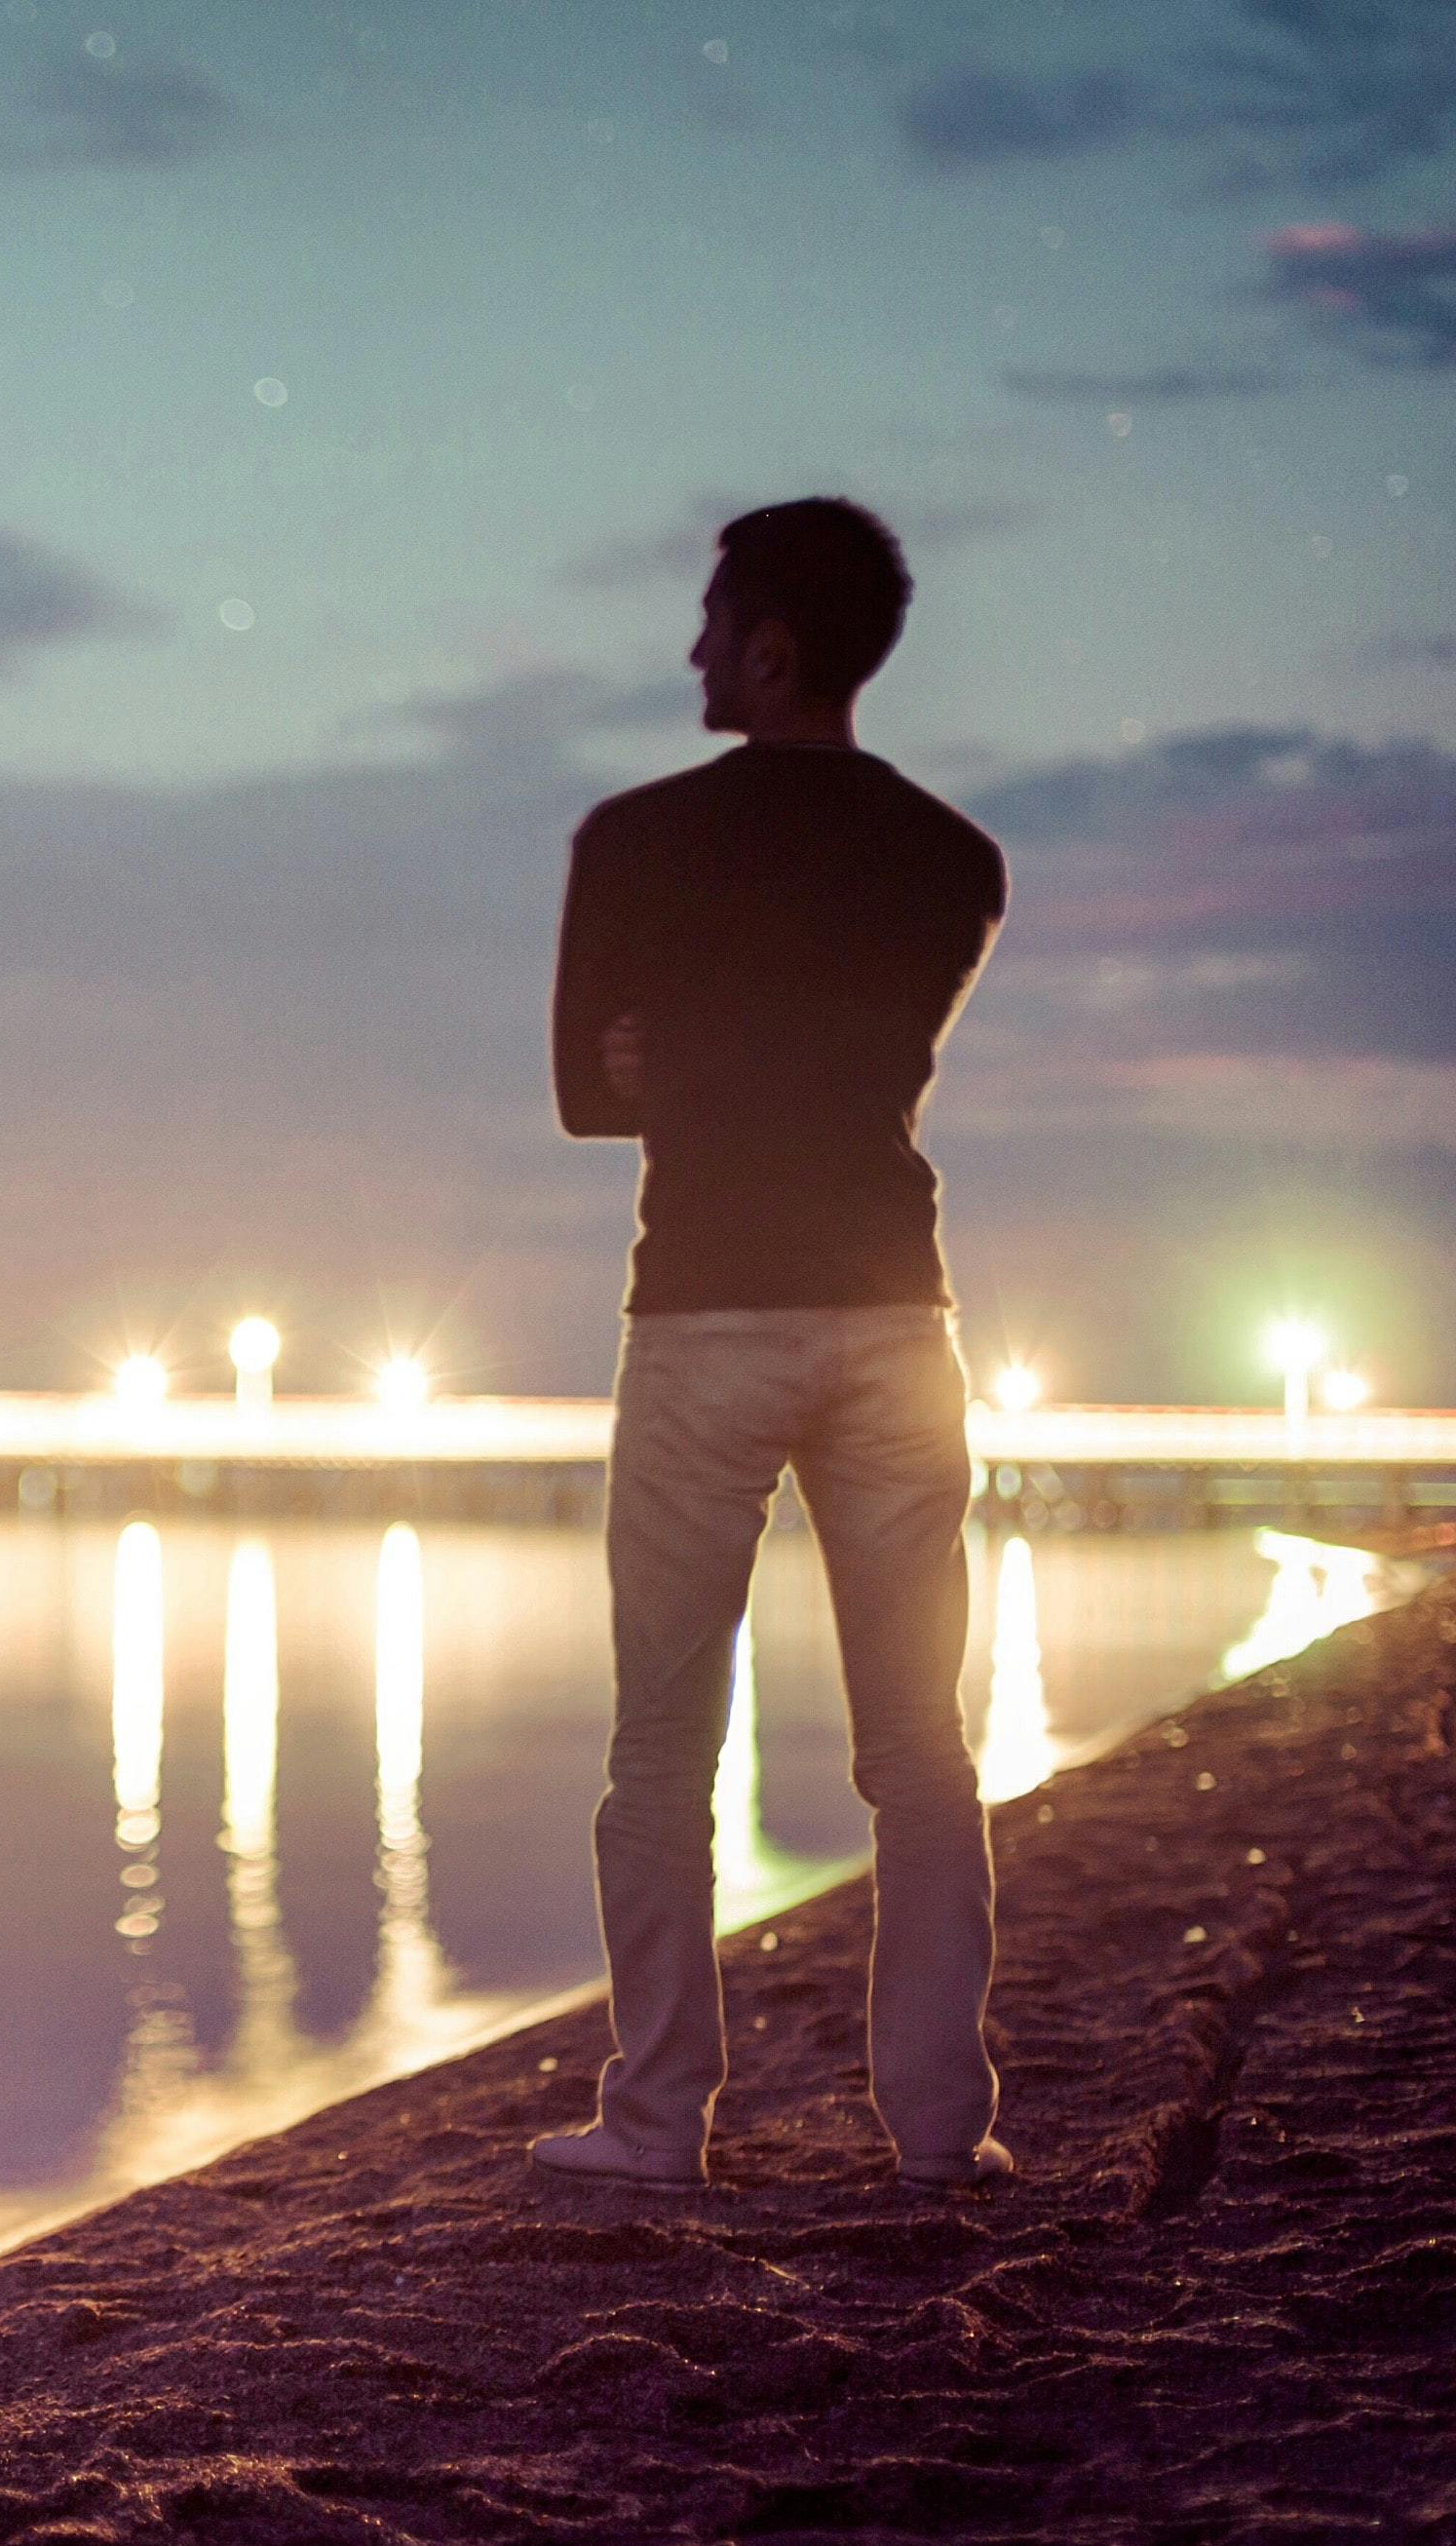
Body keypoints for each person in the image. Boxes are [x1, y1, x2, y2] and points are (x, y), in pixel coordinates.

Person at [528, 497, 1015, 2194]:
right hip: (897, 1316)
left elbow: (592, 1093)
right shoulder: (958, 860)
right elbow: (858, 1059)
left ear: (775, 646)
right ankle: (944, 2131)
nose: (691, 647)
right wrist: (749, 1055)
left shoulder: (635, 838)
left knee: (661, 1748)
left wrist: (693, 1054)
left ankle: (657, 2124)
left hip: (710, 1314)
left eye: (712, 617)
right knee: (919, 1746)